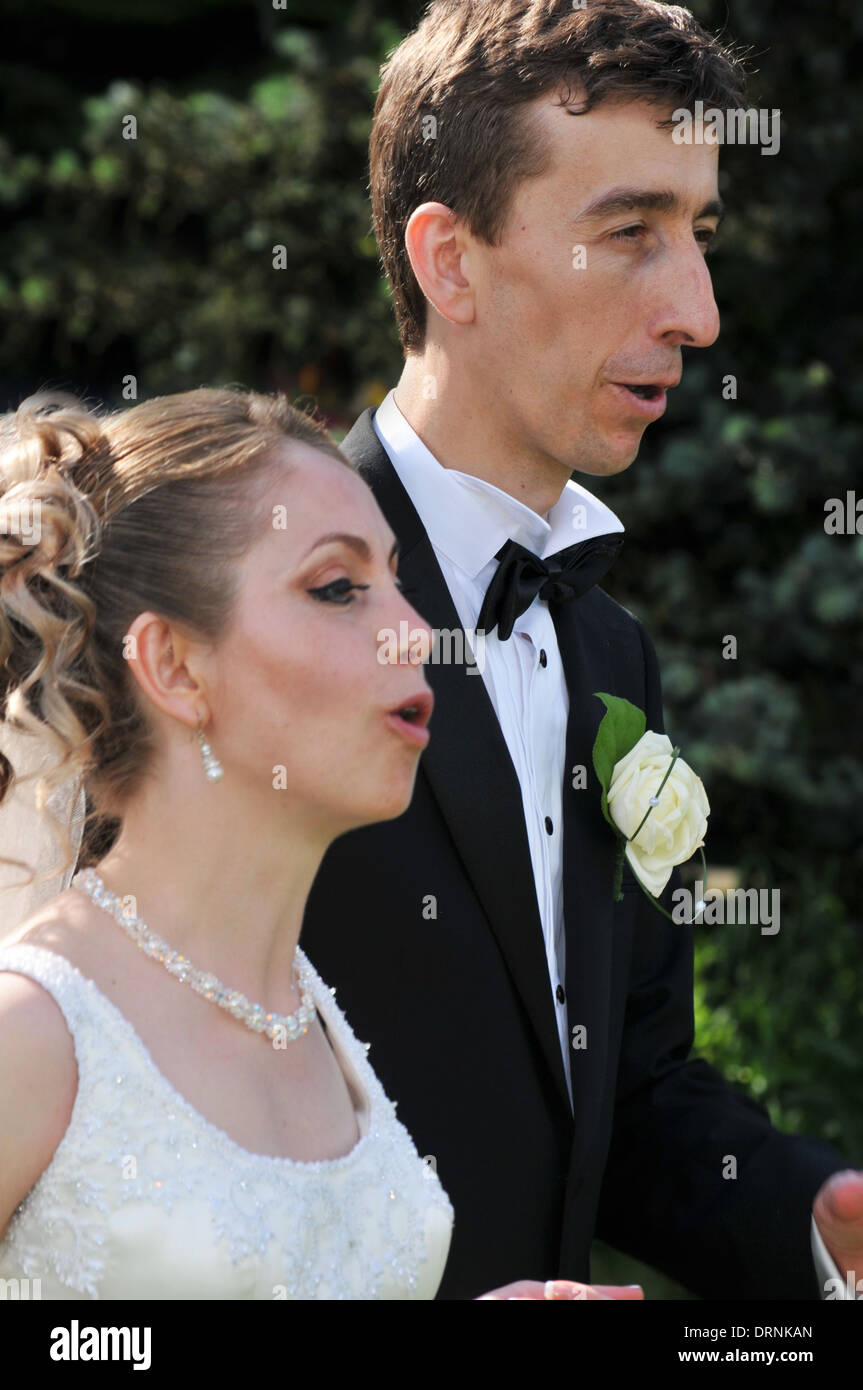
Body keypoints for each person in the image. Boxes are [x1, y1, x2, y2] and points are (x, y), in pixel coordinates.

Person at [299, 0, 863, 1299]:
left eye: (697, 240)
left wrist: (810, 1217)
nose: (699, 313)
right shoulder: (248, 614)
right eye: (630, 235)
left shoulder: (608, 652)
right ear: (450, 262)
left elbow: (625, 1089)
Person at [0, 386, 626, 1301]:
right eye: (337, 589)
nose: (415, 634)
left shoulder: (315, 1020)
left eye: (399, 586)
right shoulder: (33, 1032)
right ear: (174, 666)